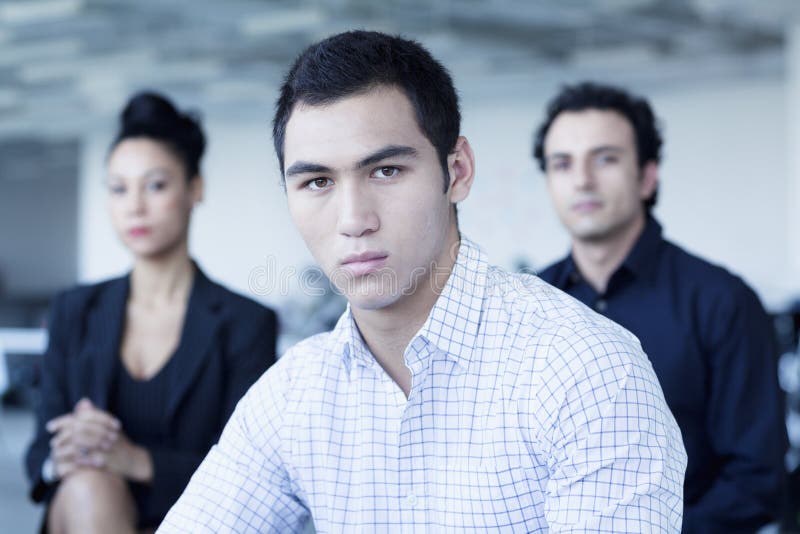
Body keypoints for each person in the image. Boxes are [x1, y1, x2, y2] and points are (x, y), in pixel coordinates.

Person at [158, 31, 686, 532]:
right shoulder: (293, 396)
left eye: (385, 171)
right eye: (317, 181)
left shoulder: (584, 369)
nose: (353, 218)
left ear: (456, 172)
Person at [533, 81, 787, 533]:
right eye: (562, 163)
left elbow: (756, 479)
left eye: (605, 158)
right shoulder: (530, 305)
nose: (582, 180)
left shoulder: (721, 301)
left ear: (647, 176)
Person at [24, 91, 279, 533]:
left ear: (194, 189)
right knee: (90, 485)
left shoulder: (245, 322)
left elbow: (252, 476)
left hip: (196, 522)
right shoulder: (75, 309)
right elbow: (37, 451)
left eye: (155, 185)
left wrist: (136, 460)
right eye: (118, 188)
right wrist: (59, 458)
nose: (134, 206)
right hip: (84, 511)